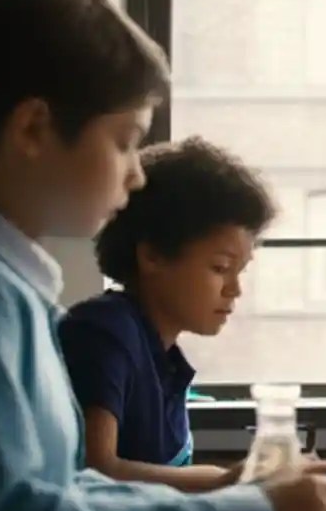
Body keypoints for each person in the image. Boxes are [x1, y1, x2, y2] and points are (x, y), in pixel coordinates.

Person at [0, 0, 326, 511]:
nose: (136, 173)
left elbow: (59, 489)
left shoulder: (14, 289)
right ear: (33, 129)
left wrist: (246, 501)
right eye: (124, 140)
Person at [60, 137, 291, 492]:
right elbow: (95, 470)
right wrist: (228, 481)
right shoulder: (104, 331)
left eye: (239, 271)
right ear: (152, 256)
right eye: (220, 267)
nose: (234, 290)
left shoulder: (163, 357)